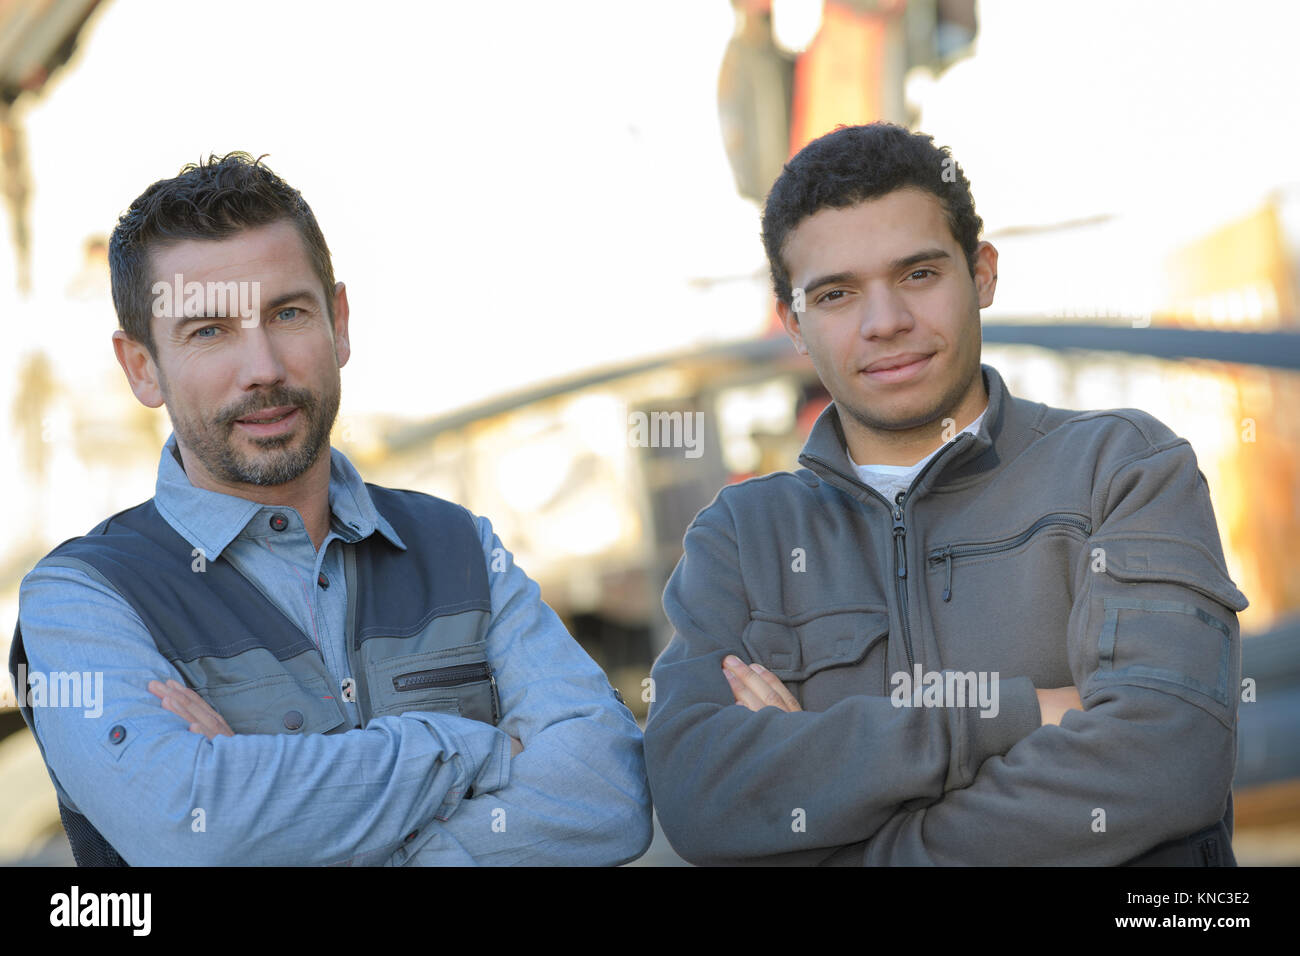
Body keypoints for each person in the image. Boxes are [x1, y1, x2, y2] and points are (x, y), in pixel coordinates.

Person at [10, 152, 652, 866]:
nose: (263, 369)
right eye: (208, 332)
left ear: (338, 323)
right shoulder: (81, 598)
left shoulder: (460, 547)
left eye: (287, 314)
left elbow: (610, 795)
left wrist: (272, 813)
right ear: (141, 367)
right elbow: (187, 826)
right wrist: (464, 750)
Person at [642, 122, 1247, 866]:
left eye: (919, 275)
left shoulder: (1120, 469)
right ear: (793, 323)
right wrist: (1016, 714)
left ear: (982, 273)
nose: (885, 322)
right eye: (836, 294)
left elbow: (1163, 762)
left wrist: (860, 830)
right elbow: (698, 795)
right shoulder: (744, 538)